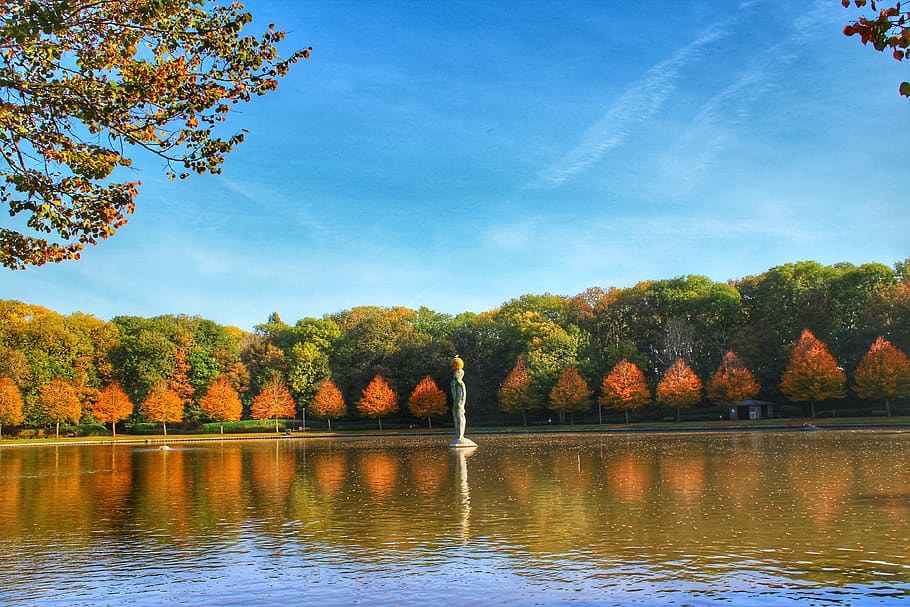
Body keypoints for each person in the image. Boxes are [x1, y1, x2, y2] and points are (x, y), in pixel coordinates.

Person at [451, 368, 466, 442]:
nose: (455, 374)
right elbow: (453, 394)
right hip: (455, 404)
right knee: (456, 419)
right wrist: (453, 386)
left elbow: (463, 395)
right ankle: (457, 435)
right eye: (455, 373)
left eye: (457, 372)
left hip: (460, 404)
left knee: (461, 419)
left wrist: (462, 404)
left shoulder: (461, 383)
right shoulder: (454, 383)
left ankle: (461, 435)